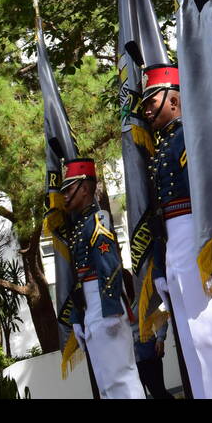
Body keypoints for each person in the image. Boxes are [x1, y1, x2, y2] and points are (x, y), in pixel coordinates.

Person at [141, 64, 212, 399]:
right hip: (175, 245)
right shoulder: (163, 148)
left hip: (197, 237)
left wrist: (210, 247)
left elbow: (211, 194)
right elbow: (159, 217)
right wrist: (161, 268)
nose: (146, 110)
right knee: (192, 340)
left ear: (174, 100)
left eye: (152, 100)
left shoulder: (194, 138)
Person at [59, 158, 143, 398]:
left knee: (121, 379)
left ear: (85, 188)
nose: (64, 196)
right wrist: (77, 316)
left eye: (69, 189)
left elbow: (110, 266)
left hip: (104, 304)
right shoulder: (81, 226)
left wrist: (111, 308)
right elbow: (78, 279)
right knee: (106, 384)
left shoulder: (98, 220)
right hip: (91, 307)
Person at [132, 315, 172, 399]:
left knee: (159, 393)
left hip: (148, 354)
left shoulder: (144, 301)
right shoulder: (117, 303)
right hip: (129, 359)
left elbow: (160, 317)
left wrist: (160, 338)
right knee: (137, 396)